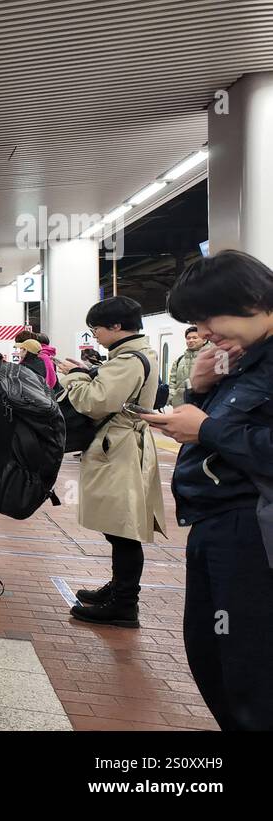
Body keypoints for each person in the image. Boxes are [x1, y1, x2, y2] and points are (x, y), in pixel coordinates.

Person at [142, 250, 273, 730]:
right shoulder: (240, 358)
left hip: (254, 534)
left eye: (208, 319)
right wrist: (199, 390)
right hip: (214, 527)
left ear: (254, 299)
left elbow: (224, 434)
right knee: (209, 654)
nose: (205, 333)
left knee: (250, 672)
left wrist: (207, 428)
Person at [55, 295, 167, 628]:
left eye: (97, 329)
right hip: (124, 445)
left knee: (124, 530)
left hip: (118, 448)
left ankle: (124, 603)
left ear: (117, 327)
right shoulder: (136, 354)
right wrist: (89, 370)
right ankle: (119, 589)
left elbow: (95, 401)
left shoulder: (128, 359)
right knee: (119, 527)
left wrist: (75, 377)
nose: (96, 336)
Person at [168, 326, 210, 407]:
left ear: (204, 340)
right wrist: (172, 398)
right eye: (188, 338)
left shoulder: (211, 359)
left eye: (195, 338)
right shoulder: (179, 360)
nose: (191, 340)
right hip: (179, 406)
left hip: (202, 407)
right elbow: (172, 382)